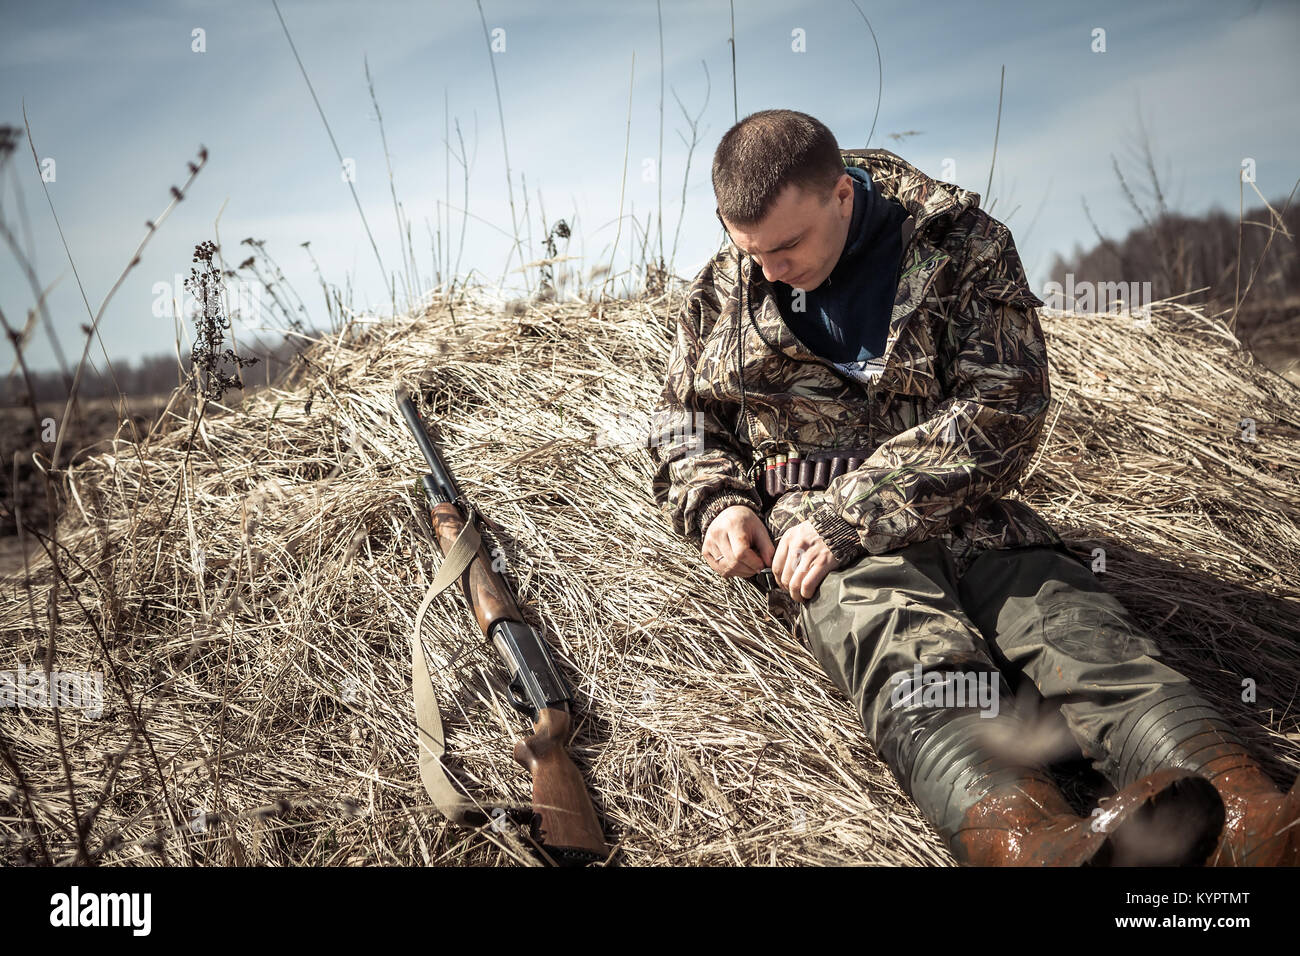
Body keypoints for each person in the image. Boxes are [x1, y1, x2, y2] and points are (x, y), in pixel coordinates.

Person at [646, 108, 1299, 866]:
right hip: (829, 555)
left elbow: (1005, 406)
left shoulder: (963, 244)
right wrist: (720, 504)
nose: (770, 270)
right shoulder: (720, 293)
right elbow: (683, 427)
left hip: (974, 518)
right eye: (750, 249)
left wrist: (848, 512)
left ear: (842, 196)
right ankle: (1033, 849)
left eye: (787, 245)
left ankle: (1251, 814)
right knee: (915, 665)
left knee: (1084, 637)